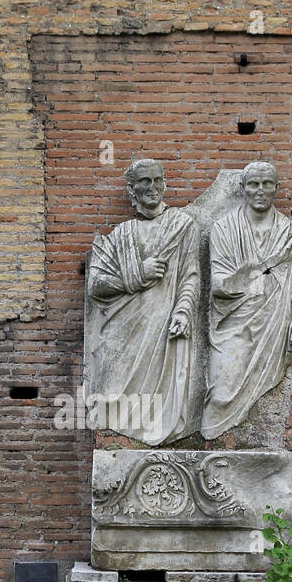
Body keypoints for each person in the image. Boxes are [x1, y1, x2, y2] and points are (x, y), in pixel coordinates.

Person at [85, 159, 202, 445]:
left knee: (159, 407)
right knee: (111, 400)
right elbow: (96, 285)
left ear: (165, 184)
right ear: (131, 189)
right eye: (144, 181)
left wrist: (184, 311)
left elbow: (191, 277)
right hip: (123, 330)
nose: (152, 187)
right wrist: (137, 275)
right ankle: (116, 440)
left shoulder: (182, 226)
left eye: (157, 180)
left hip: (163, 329)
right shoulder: (120, 236)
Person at [202, 161, 292, 440]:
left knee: (268, 401)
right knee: (219, 395)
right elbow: (219, 285)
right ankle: (217, 460)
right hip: (233, 325)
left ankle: (259, 447)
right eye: (253, 184)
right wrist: (254, 272)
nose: (260, 191)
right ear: (243, 188)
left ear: (276, 188)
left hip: (274, 325)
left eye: (267, 184)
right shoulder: (223, 229)